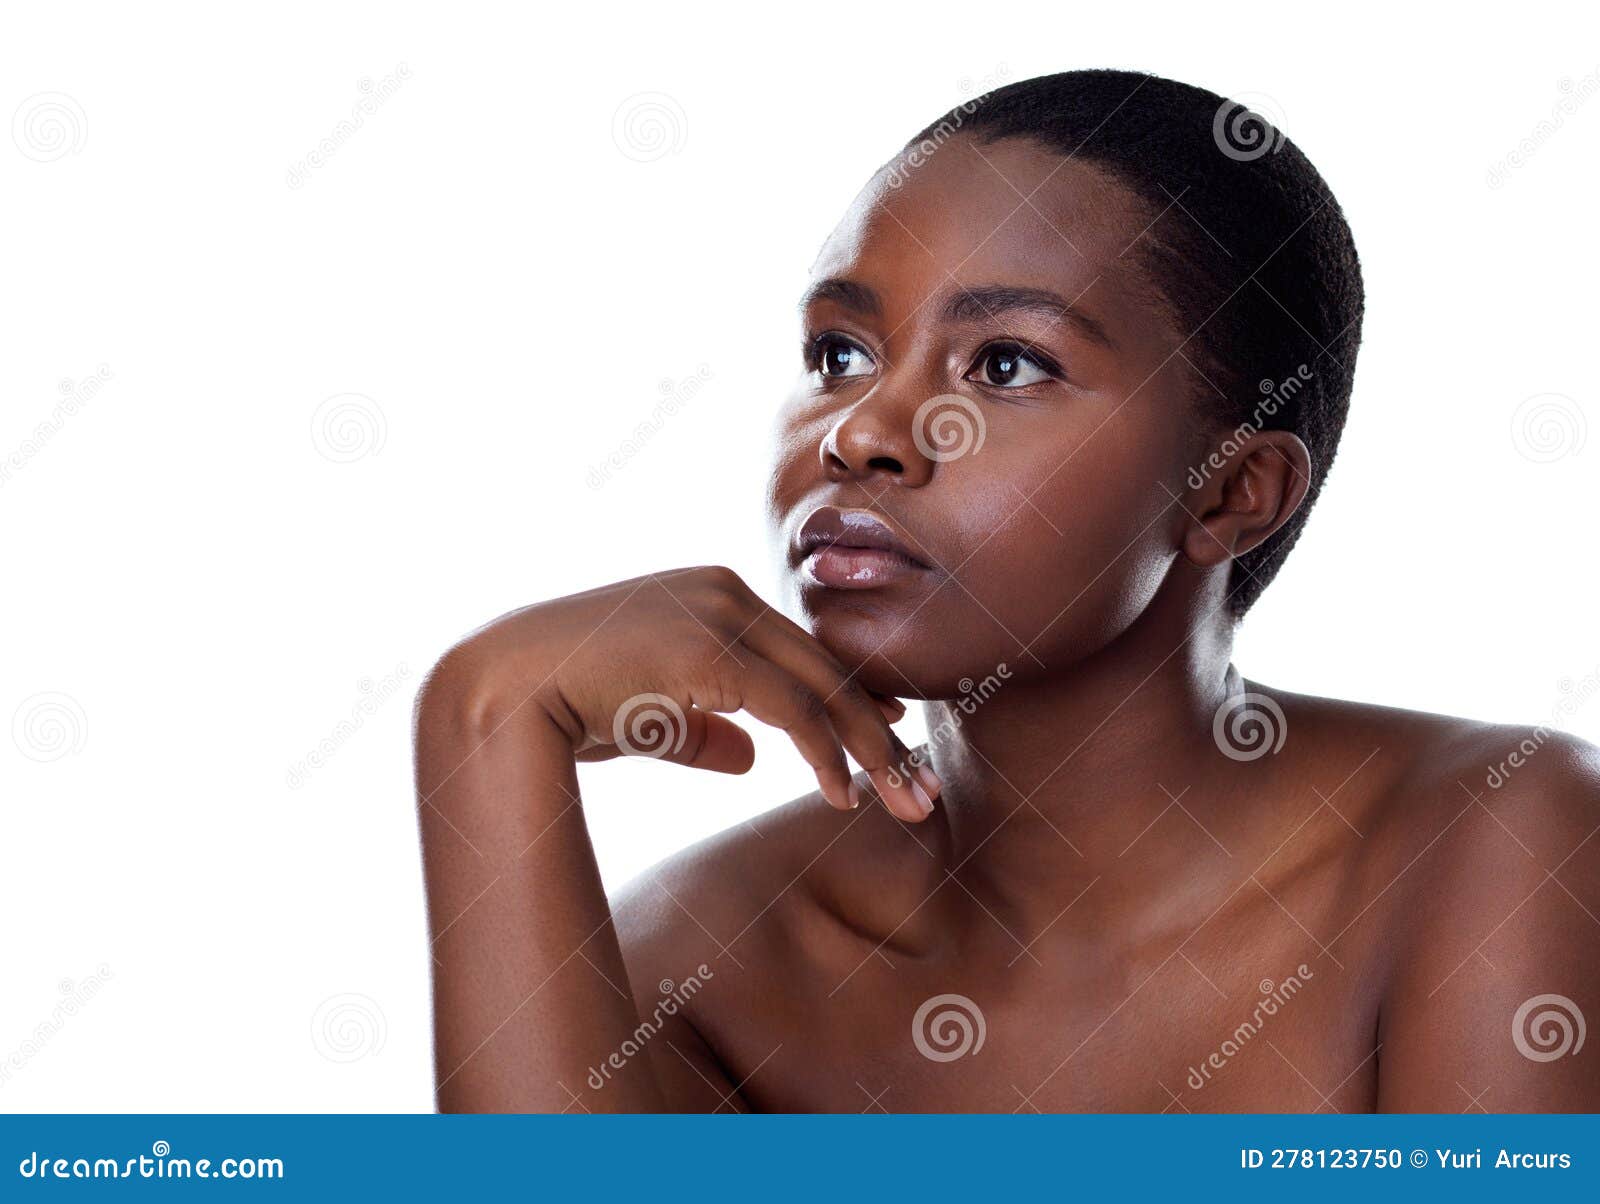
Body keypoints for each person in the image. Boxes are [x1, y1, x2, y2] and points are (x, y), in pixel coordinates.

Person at [413, 69, 1600, 1113]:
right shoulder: (700, 957)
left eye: (1006, 364)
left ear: (1231, 491)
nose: (862, 432)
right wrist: (485, 721)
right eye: (840, 354)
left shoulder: (1495, 838)